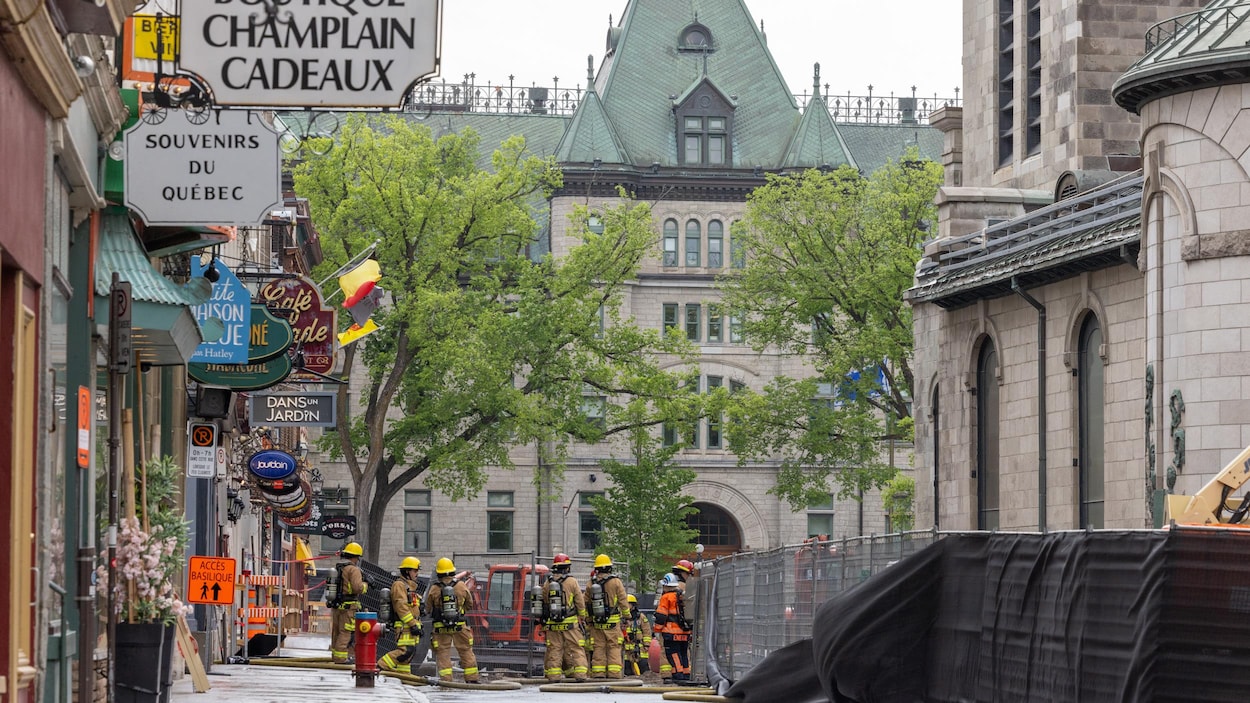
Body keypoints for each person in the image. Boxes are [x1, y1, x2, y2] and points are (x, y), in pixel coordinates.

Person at [424, 557, 479, 683]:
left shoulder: (434, 588)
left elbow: (428, 608)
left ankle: (446, 681)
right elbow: (469, 604)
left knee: (443, 653)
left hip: (440, 627)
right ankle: (472, 679)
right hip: (460, 625)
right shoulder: (461, 586)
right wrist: (460, 612)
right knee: (466, 650)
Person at [537, 553, 589, 682]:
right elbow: (579, 601)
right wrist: (582, 616)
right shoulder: (572, 581)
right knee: (576, 647)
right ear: (566, 568)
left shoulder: (548, 583)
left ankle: (554, 676)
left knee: (554, 649)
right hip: (570, 622)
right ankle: (580, 675)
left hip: (553, 623)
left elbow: (544, 602)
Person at [584, 553, 630, 679]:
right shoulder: (616, 582)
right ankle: (614, 674)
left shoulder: (591, 583)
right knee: (614, 647)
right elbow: (623, 601)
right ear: (609, 568)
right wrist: (627, 617)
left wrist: (588, 619)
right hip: (612, 623)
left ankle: (598, 673)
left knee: (598, 647)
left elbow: (586, 603)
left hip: (597, 623)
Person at [378, 556, 423, 673]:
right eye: (415, 571)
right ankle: (380, 666)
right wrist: (412, 624)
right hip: (405, 626)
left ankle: (404, 677)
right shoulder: (399, 585)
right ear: (407, 571)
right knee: (405, 652)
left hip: (411, 625)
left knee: (407, 656)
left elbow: (411, 607)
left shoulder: (410, 587)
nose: (417, 573)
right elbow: (401, 606)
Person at [328, 541, 368, 664]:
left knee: (336, 631)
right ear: (355, 557)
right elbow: (357, 588)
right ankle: (341, 658)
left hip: (337, 605)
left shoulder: (339, 568)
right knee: (345, 632)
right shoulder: (353, 570)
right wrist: (365, 585)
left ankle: (336, 656)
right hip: (349, 607)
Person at [654, 573, 691, 683]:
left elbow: (661, 616)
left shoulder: (666, 597)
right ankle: (686, 674)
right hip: (685, 631)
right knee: (683, 653)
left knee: (673, 654)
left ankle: (678, 675)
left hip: (671, 632)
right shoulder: (682, 596)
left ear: (666, 585)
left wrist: (657, 630)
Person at [621, 593, 652, 677]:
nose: (626, 606)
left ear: (633, 605)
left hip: (639, 648)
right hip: (625, 649)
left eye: (628, 604)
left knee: (643, 669)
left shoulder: (640, 617)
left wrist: (646, 644)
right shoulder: (620, 617)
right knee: (627, 670)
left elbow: (647, 631)